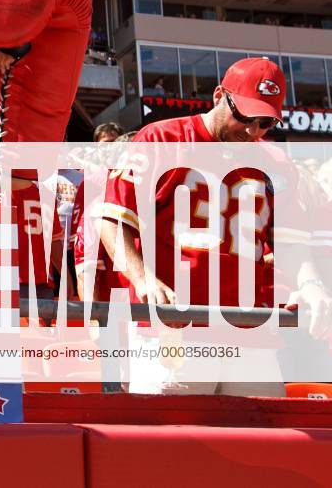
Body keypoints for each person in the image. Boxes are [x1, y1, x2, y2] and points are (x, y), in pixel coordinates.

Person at [100, 57, 331, 396]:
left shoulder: (275, 160)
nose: (253, 130)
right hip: (175, 327)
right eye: (245, 116)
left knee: (264, 428)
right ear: (219, 95)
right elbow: (115, 220)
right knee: (173, 430)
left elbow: (290, 241)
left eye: (265, 122)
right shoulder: (161, 139)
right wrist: (143, 278)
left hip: (251, 328)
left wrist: (311, 284)